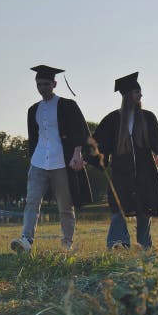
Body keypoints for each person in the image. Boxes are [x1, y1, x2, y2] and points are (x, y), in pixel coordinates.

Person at [11, 65, 92, 253]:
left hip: (61, 162)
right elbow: (33, 137)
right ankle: (26, 240)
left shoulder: (67, 105)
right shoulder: (33, 110)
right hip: (38, 162)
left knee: (65, 205)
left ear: (54, 84)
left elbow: (81, 131)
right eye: (39, 84)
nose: (42, 87)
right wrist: (32, 159)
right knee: (31, 202)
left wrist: (78, 153)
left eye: (46, 84)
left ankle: (67, 243)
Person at [89, 72, 158, 249]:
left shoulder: (148, 117)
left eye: (140, 92)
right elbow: (97, 143)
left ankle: (144, 246)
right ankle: (118, 243)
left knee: (144, 211)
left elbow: (157, 141)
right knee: (118, 208)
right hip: (120, 173)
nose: (140, 95)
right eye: (137, 92)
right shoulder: (112, 119)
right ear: (127, 95)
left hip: (145, 171)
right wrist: (89, 159)